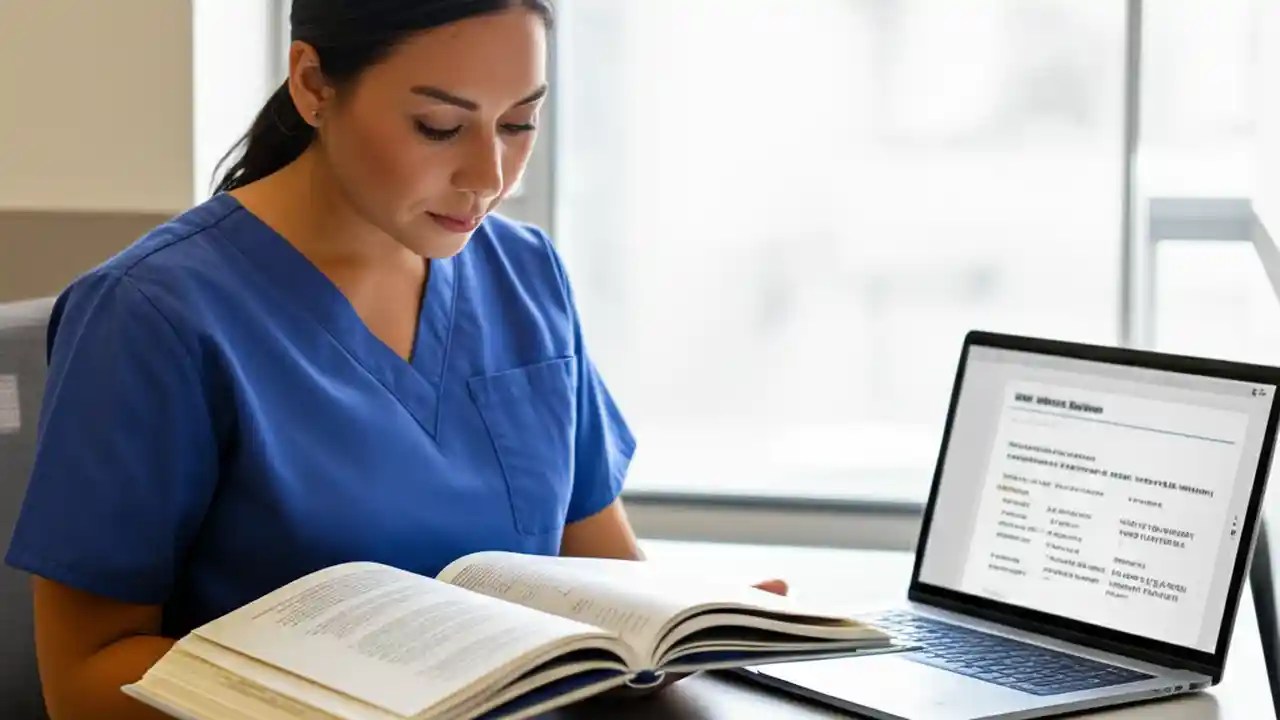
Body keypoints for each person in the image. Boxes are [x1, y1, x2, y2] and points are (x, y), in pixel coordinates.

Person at [3, 1, 785, 718]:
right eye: (439, 127)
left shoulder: (526, 275)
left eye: (519, 125)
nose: (490, 179)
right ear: (312, 85)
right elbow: (85, 680)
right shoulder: (153, 315)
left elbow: (607, 581)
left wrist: (694, 631)